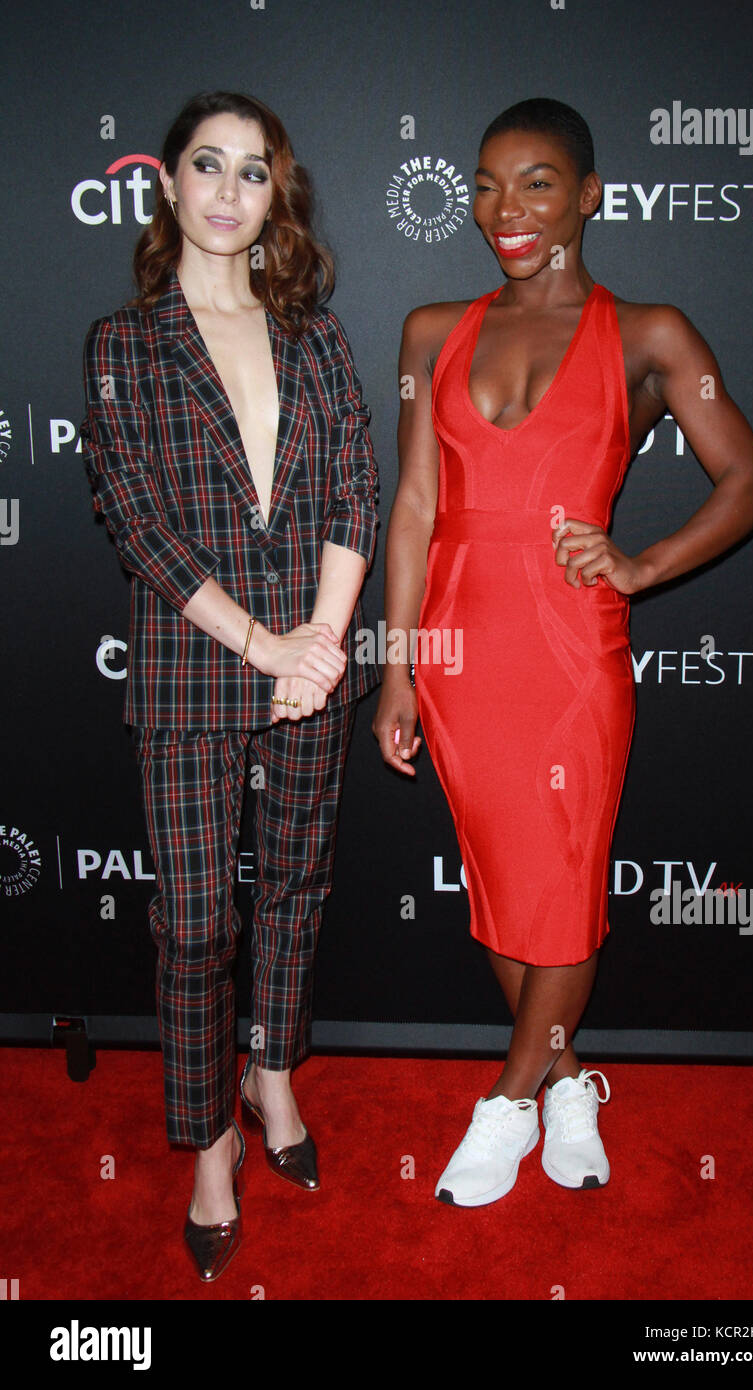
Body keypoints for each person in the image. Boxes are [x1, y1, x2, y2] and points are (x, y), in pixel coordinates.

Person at [373, 97, 753, 1208]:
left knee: (561, 883)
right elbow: (411, 507)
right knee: (508, 886)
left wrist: (640, 565)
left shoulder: (649, 333)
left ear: (588, 195)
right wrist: (398, 663)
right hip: (455, 647)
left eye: (536, 182)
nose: (506, 209)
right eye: (487, 183)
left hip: (566, 649)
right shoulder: (425, 331)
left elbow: (750, 484)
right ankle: (564, 1082)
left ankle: (501, 1101)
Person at [80, 90, 379, 1277]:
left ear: (275, 196)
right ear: (168, 182)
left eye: (252, 172)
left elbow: (356, 488)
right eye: (206, 164)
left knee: (296, 889)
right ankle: (209, 1145)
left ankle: (271, 1075)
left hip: (313, 662)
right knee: (195, 924)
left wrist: (323, 639)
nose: (225, 190)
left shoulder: (316, 334)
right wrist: (268, 647)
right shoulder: (122, 344)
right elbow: (136, 523)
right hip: (197, 668)